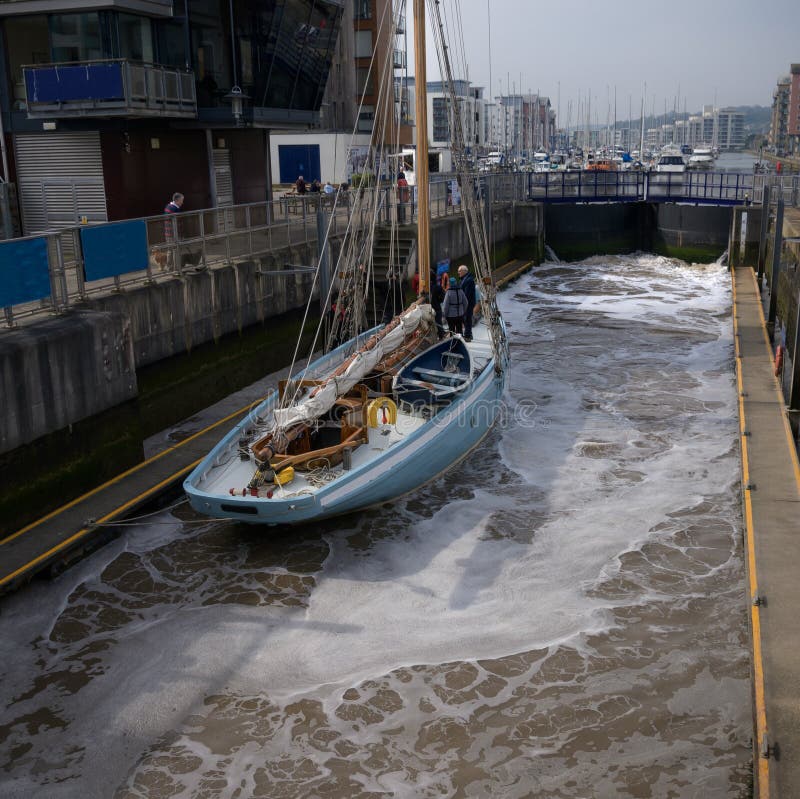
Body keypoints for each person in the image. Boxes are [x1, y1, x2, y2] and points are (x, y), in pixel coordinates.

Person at [457, 264, 476, 341]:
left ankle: (468, 336)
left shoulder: (468, 280)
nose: (458, 273)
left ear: (464, 271)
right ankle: (469, 334)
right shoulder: (465, 279)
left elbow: (466, 294)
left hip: (468, 303)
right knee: (465, 318)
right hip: (467, 303)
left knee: (467, 318)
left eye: (459, 271)